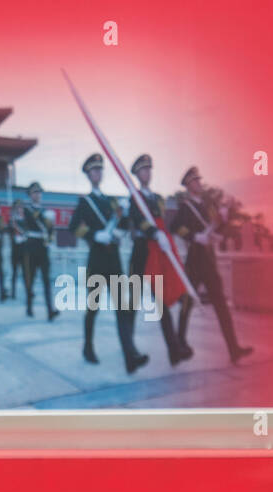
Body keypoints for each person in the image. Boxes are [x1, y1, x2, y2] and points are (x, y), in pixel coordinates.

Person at [70, 153, 147, 373]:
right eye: (93, 170)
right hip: (96, 260)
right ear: (87, 174)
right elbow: (73, 226)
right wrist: (94, 235)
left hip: (113, 260)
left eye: (100, 169)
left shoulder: (112, 201)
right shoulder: (85, 202)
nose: (97, 173)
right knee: (93, 308)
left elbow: (121, 226)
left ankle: (130, 356)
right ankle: (88, 347)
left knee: (122, 309)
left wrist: (121, 223)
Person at [172, 166, 253, 365]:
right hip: (194, 260)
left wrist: (222, 222)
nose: (199, 183)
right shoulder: (185, 206)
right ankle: (178, 342)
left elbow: (216, 227)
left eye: (199, 180)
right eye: (195, 181)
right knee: (188, 304)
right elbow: (175, 227)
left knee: (221, 305)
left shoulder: (208, 206)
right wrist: (193, 236)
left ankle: (233, 348)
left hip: (209, 260)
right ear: (189, 185)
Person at [123, 154, 187, 365]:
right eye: (143, 170)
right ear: (137, 174)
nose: (147, 173)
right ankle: (130, 351)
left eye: (149, 169)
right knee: (131, 303)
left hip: (156, 252)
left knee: (161, 303)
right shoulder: (134, 197)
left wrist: (162, 236)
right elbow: (139, 221)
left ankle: (174, 350)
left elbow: (160, 220)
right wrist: (153, 233)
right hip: (141, 251)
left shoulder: (158, 198)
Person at [18, 183, 58, 320]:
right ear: (30, 195)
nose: (38, 195)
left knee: (46, 280)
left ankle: (50, 310)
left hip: (43, 246)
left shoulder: (46, 211)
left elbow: (51, 230)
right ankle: (29, 306)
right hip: (30, 246)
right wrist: (47, 219)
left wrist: (51, 240)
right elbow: (32, 222)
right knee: (30, 278)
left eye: (39, 192)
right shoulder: (27, 210)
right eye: (35, 192)